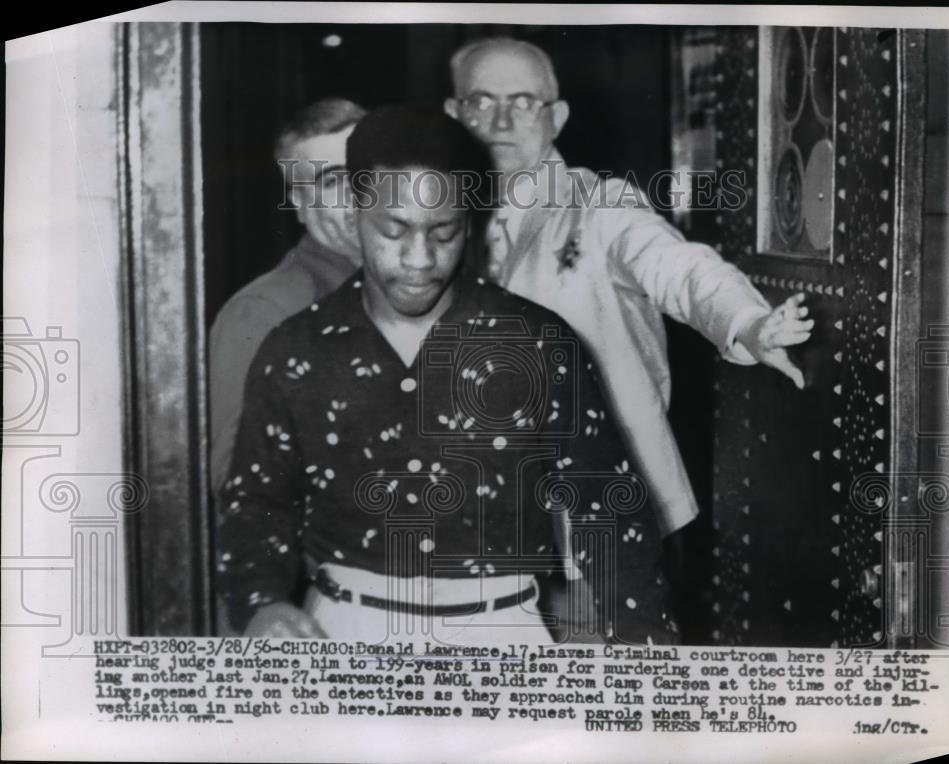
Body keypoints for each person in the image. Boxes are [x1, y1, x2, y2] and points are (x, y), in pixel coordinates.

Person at [216, 105, 679, 646]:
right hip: (344, 633)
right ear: (356, 212)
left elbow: (607, 507)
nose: (419, 259)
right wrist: (260, 602)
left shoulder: (534, 340)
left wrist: (642, 652)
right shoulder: (295, 349)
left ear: (469, 220)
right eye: (394, 231)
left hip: (502, 634)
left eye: (444, 232)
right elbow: (257, 502)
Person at [444, 37, 814, 539]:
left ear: (557, 117)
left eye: (524, 102)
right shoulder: (443, 225)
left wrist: (745, 323)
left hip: (607, 525)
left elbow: (679, 269)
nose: (501, 122)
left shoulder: (601, 207)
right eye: (481, 102)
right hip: (494, 522)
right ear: (453, 113)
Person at [209, 97, 367, 496]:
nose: (356, 195)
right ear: (298, 201)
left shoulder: (422, 291)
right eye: (332, 181)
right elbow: (235, 481)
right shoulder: (265, 312)